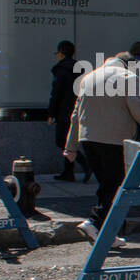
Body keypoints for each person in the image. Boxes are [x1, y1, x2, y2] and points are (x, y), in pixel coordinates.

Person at [64, 52, 140, 244]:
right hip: (114, 141)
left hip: (88, 140)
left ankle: (106, 235)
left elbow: (75, 115)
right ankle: (94, 222)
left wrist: (71, 147)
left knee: (106, 186)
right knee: (116, 187)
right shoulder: (127, 78)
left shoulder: (89, 77)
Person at [47, 40, 90, 182]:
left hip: (64, 111)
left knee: (62, 141)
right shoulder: (80, 69)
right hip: (78, 108)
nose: (56, 55)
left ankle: (84, 164)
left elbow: (56, 93)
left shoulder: (62, 70)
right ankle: (68, 172)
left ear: (61, 53)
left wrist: (51, 113)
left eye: (57, 53)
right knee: (69, 140)